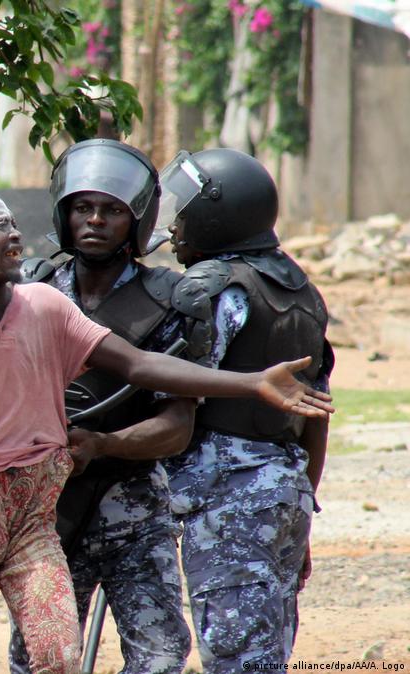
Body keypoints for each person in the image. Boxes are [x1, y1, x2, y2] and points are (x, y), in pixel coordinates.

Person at [0, 186, 332, 674]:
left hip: (31, 520)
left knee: (58, 658)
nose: (15, 233)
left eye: (14, 223)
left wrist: (252, 383)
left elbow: (139, 365)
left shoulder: (45, 306)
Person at [8, 139, 192, 674]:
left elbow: (178, 426)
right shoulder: (30, 293)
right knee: (39, 659)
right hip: (47, 516)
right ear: (63, 215)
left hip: (136, 512)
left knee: (160, 659)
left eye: (112, 210)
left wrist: (104, 444)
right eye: (83, 207)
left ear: (136, 221)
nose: (95, 220)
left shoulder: (169, 300)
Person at [159, 148, 332, 673]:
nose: (174, 228)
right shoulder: (302, 289)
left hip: (229, 502)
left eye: (182, 213)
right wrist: (301, 508)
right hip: (285, 493)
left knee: (238, 657)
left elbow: (178, 389)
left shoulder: (218, 287)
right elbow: (316, 415)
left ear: (215, 215)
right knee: (267, 654)